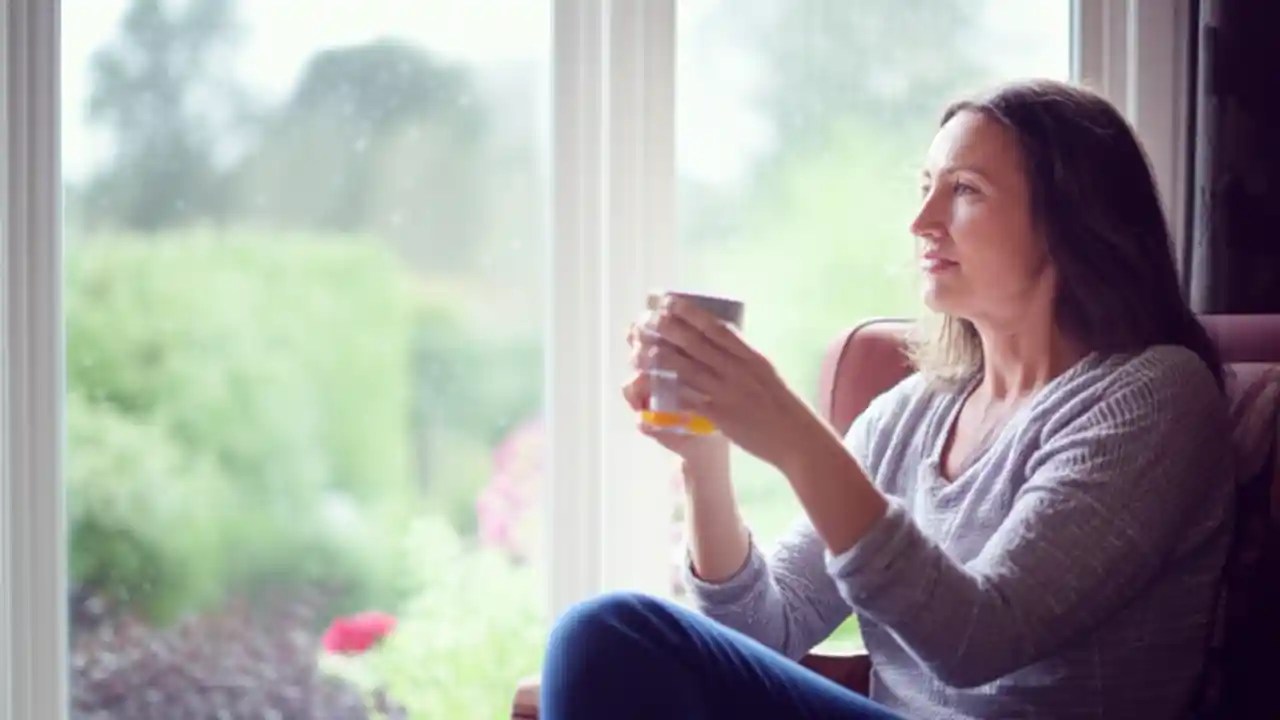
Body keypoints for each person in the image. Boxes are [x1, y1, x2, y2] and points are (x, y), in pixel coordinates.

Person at [537, 79, 1233, 719]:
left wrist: (789, 432)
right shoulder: (912, 413)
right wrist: (704, 459)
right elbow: (761, 633)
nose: (922, 220)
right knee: (603, 636)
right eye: (926, 186)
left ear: (1070, 218)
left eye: (964, 190)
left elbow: (979, 639)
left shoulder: (1155, 397)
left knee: (611, 633)